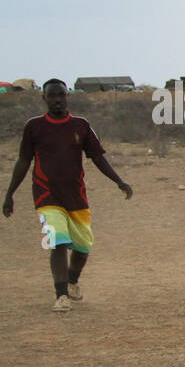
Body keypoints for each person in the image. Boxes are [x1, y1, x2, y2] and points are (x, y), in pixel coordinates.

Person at [3, 79, 133, 312]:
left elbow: (98, 157)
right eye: (51, 96)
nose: (56, 100)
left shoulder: (81, 125)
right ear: (44, 99)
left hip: (76, 196)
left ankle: (72, 282)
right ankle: (61, 295)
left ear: (67, 97)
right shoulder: (34, 127)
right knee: (58, 241)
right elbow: (24, 160)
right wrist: (9, 193)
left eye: (61, 95)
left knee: (83, 247)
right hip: (46, 194)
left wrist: (118, 181)